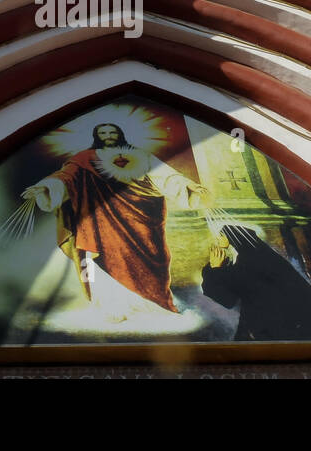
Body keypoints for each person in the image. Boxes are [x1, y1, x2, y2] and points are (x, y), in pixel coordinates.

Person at [21, 123, 213, 312]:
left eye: (112, 132)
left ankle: (152, 304)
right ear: (97, 136)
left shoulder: (141, 155)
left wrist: (189, 185)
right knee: (106, 257)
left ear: (119, 133)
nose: (108, 135)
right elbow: (65, 178)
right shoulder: (84, 158)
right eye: (103, 132)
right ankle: (113, 307)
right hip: (101, 220)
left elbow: (165, 176)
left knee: (152, 259)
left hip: (142, 216)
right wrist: (45, 187)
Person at [200, 224, 311, 341]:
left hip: (283, 326)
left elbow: (227, 299)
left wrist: (215, 268)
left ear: (231, 238)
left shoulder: (250, 261)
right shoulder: (260, 254)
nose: (218, 240)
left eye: (221, 236)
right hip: (298, 321)